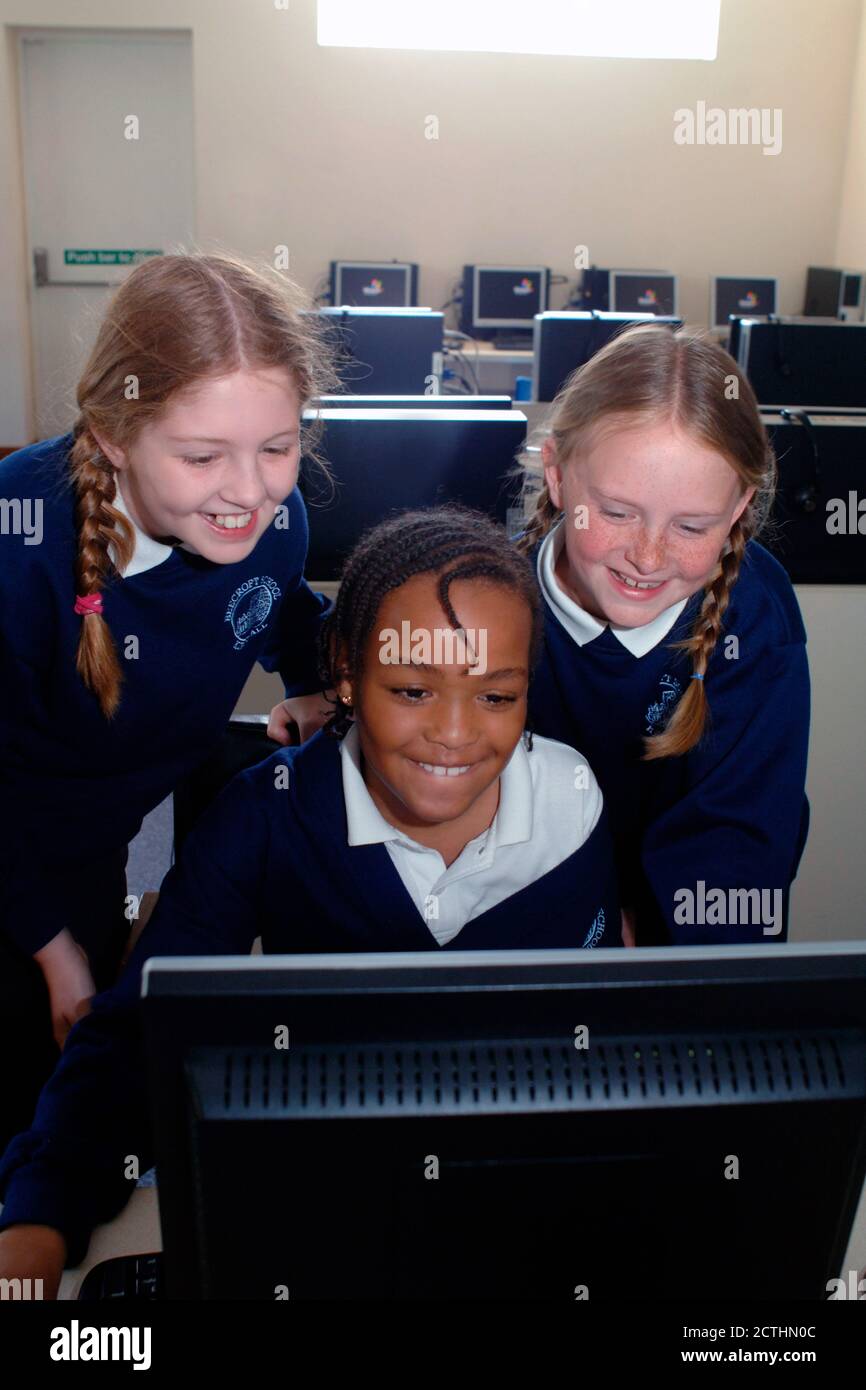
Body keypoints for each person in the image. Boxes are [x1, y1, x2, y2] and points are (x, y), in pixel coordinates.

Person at [0, 505, 621, 1293]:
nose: (457, 735)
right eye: (412, 689)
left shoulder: (571, 801)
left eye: (497, 697)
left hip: (511, 1213)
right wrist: (40, 1215)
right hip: (323, 1205)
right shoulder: (266, 816)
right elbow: (135, 1034)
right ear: (346, 673)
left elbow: (593, 1044)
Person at [0, 250, 339, 1150]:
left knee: (92, 1105)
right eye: (201, 456)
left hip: (103, 837)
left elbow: (282, 601)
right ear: (114, 435)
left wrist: (308, 683)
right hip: (19, 850)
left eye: (278, 445)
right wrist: (53, 948)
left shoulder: (274, 515)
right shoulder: (19, 541)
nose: (250, 490)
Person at [517, 323, 810, 946]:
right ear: (558, 475)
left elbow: (742, 842)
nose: (647, 558)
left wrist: (652, 947)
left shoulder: (756, 615)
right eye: (618, 513)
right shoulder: (485, 601)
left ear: (738, 509)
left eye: (692, 526)